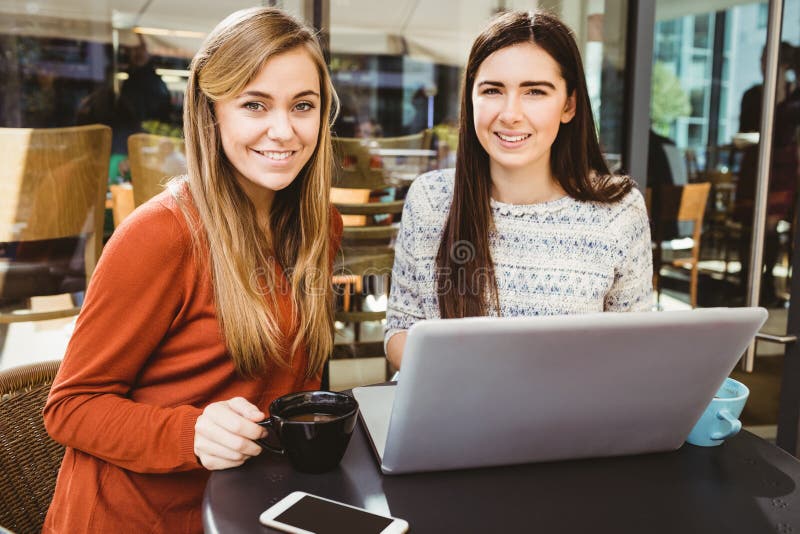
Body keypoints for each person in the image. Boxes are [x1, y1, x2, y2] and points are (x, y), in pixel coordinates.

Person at [42, 7, 342, 533]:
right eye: (255, 104)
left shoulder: (320, 226)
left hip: (252, 507)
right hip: (137, 519)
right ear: (211, 114)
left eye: (303, 105)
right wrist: (192, 431)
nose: (284, 130)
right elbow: (70, 408)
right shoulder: (160, 235)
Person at [385, 10, 652, 370]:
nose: (510, 114)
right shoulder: (430, 200)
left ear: (569, 105)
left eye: (535, 92)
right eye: (493, 90)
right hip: (453, 415)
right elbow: (400, 330)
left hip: (568, 419)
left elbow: (636, 348)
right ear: (471, 99)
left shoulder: (619, 211)